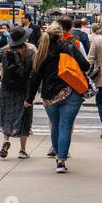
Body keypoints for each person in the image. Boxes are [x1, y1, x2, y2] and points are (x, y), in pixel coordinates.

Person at [25, 17, 92, 173]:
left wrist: (29, 99)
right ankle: (61, 160)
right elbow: (86, 65)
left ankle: (57, 156)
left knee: (55, 126)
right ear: (61, 34)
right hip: (70, 91)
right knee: (65, 126)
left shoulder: (41, 53)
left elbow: (35, 78)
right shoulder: (69, 47)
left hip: (49, 95)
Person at [0, 25, 34, 158]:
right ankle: (22, 150)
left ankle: (6, 140)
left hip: (6, 88)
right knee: (24, 118)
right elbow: (35, 70)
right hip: (23, 89)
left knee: (6, 115)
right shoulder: (29, 52)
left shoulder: (4, 51)